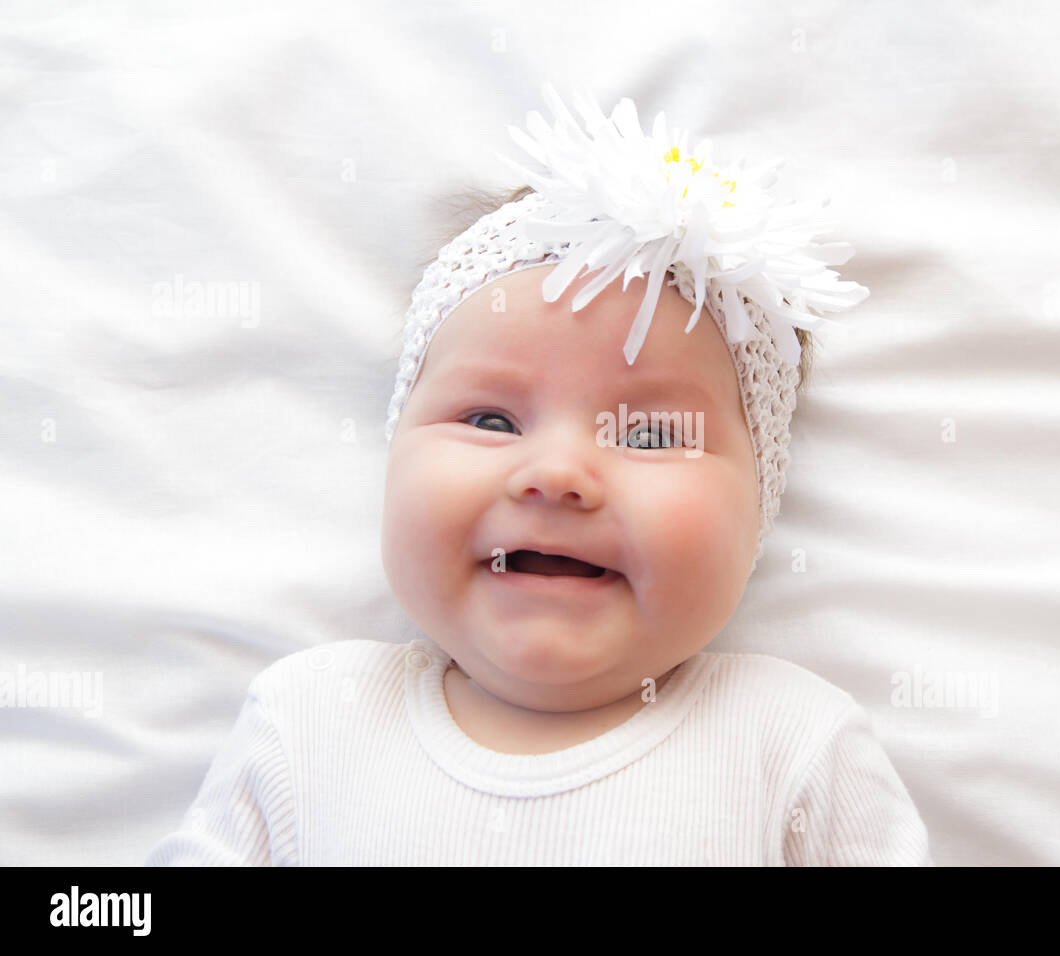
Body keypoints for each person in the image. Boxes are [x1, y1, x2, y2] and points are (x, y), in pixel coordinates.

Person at [145, 83, 932, 866]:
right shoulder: (312, 720)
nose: (557, 474)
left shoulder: (789, 743)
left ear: (760, 508)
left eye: (653, 433)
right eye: (491, 421)